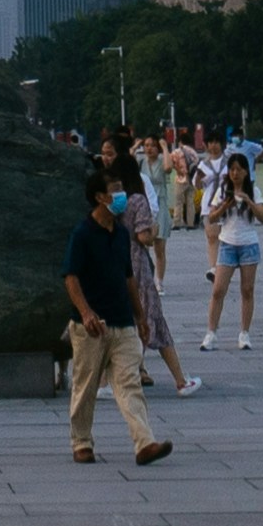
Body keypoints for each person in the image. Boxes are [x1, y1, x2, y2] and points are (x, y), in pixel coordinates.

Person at [58, 168, 170, 467]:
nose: (121, 196)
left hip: (123, 323)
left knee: (129, 383)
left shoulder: (121, 233)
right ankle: (81, 442)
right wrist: (85, 312)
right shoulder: (82, 234)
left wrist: (141, 316)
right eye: (115, 190)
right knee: (85, 385)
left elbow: (128, 277)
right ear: (99, 197)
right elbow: (71, 277)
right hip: (91, 327)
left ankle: (144, 443)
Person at [207, 165, 263, 349]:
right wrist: (226, 204)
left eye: (239, 169)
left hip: (248, 244)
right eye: (232, 169)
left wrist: (248, 200)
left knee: (247, 290)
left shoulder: (254, 190)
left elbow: (262, 217)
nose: (235, 173)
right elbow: (212, 217)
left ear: (246, 172)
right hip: (227, 244)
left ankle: (244, 333)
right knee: (218, 290)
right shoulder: (222, 191)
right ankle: (211, 333)